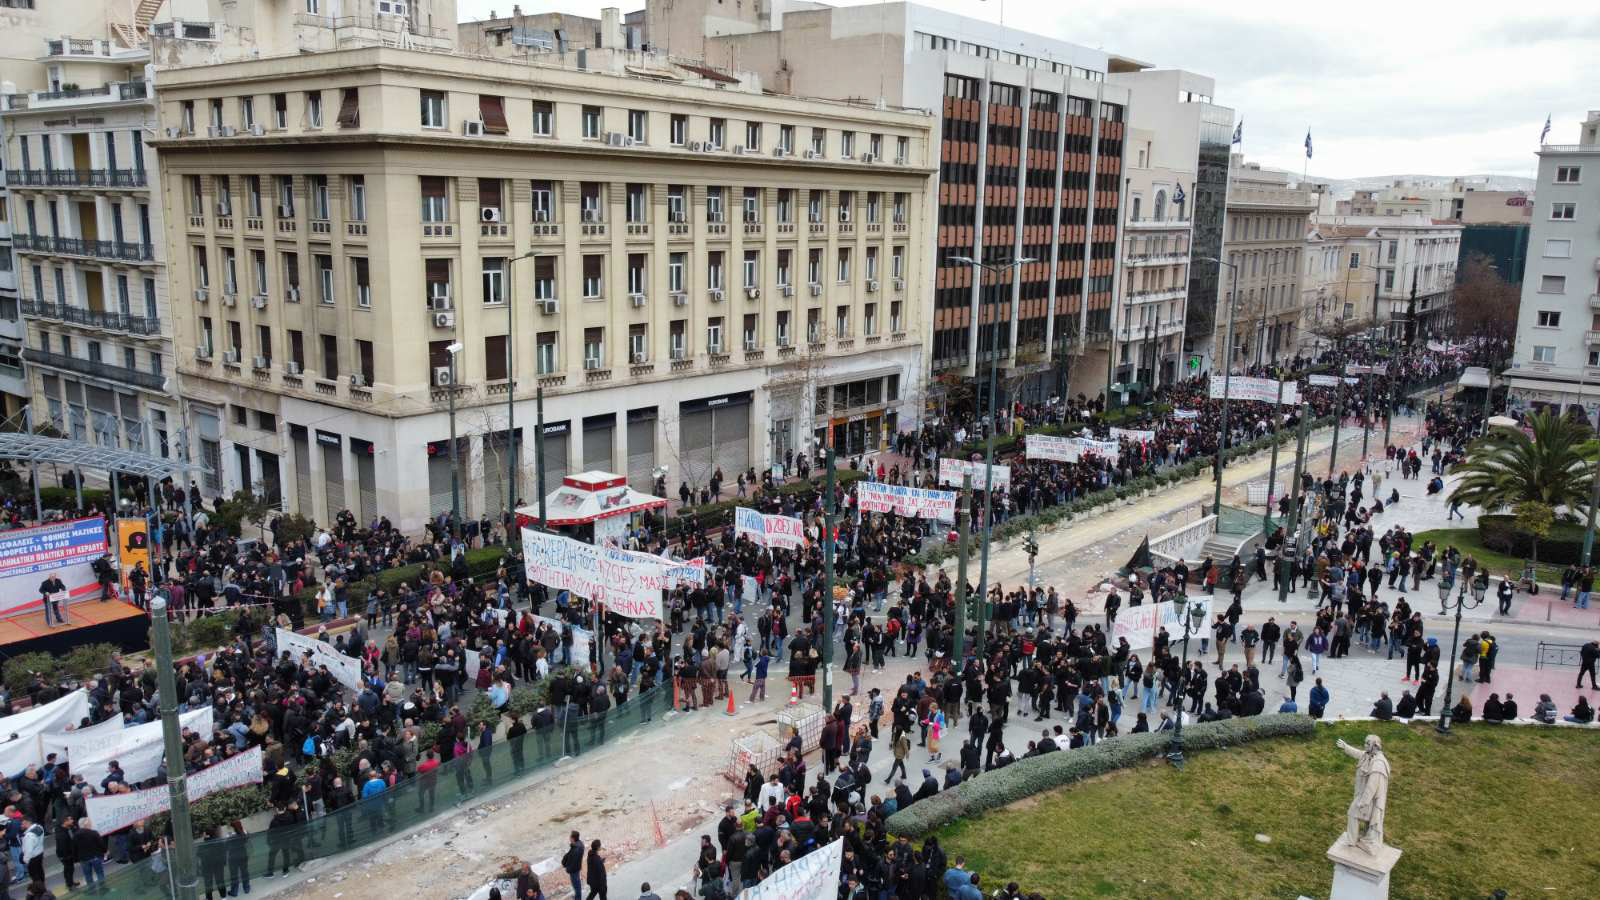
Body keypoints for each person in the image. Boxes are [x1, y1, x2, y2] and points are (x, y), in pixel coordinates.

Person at [562, 831, 585, 900]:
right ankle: (577, 896)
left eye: (570, 837)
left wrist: (568, 869)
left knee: (576, 885)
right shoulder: (578, 844)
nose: (569, 838)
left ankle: (578, 898)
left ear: (573, 838)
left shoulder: (576, 849)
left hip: (574, 870)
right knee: (577, 884)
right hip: (576, 868)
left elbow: (573, 862)